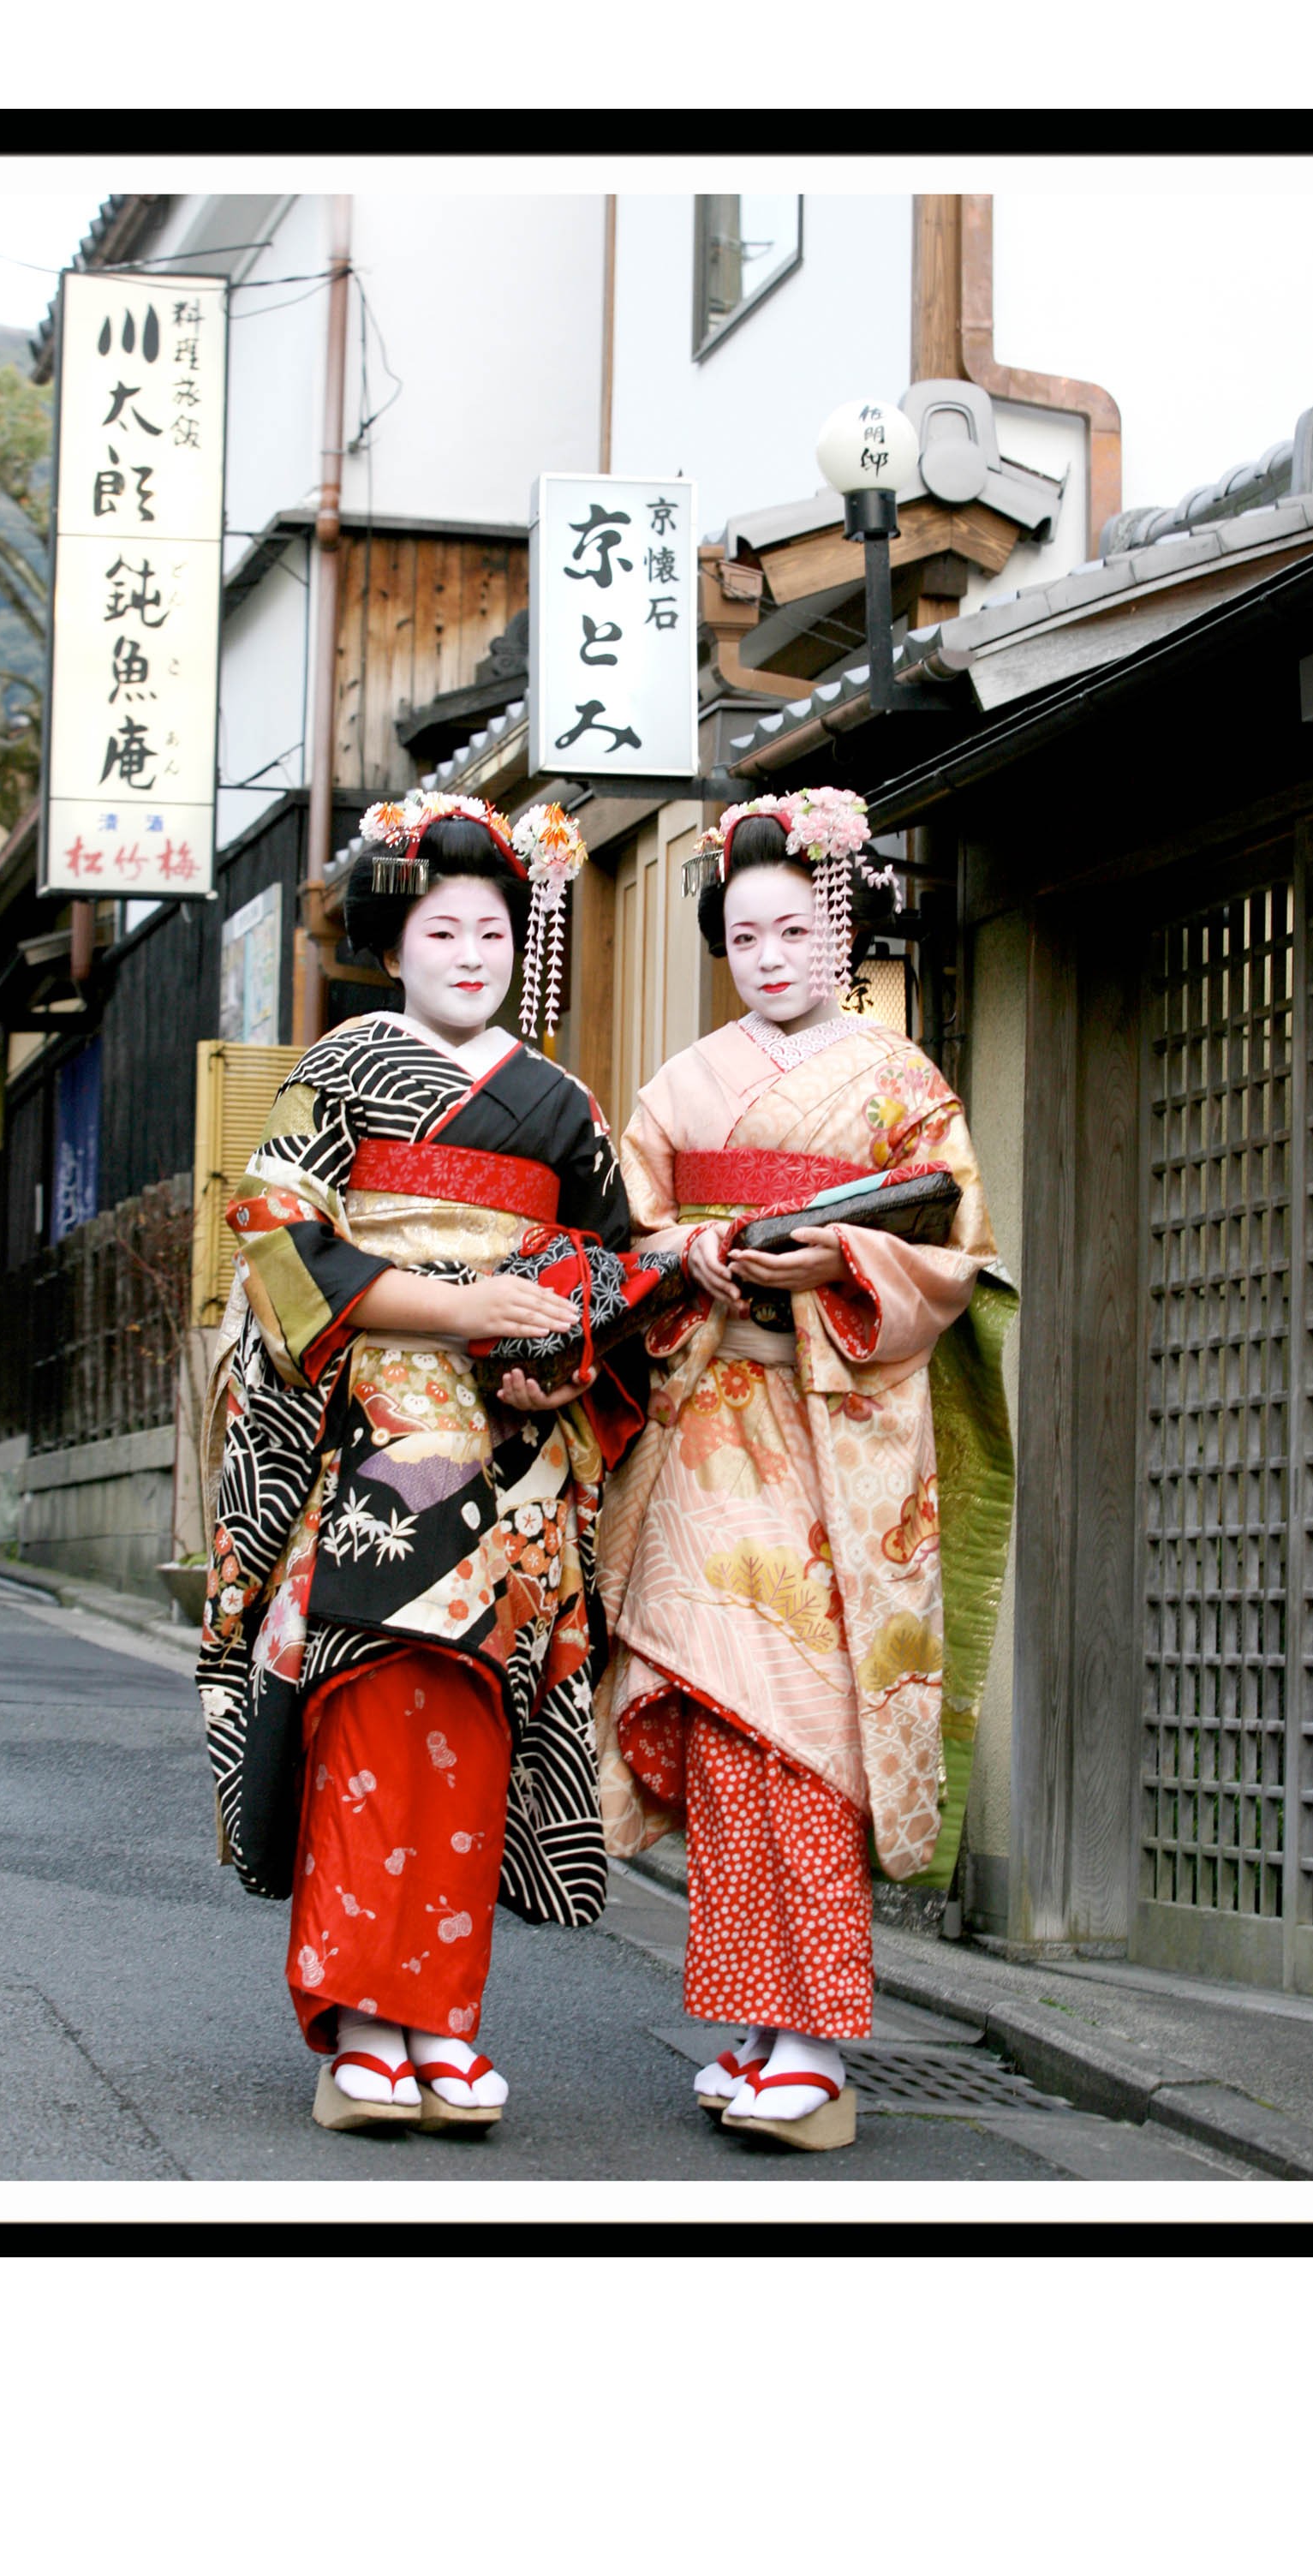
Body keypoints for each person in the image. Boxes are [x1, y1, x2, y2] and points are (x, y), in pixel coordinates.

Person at [195, 792, 643, 2132]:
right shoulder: (338, 1070)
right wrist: (455, 1307)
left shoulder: (559, 1101)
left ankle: (441, 2019)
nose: (469, 952)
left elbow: (612, 1263)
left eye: (494, 930)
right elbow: (275, 1233)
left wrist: (560, 1342)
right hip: (371, 1433)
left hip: (510, 1456)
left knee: (471, 1733)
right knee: (366, 1715)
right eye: (442, 929)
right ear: (395, 947)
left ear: (524, 946)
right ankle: (352, 2024)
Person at [594, 790, 1015, 2150]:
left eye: (794, 928)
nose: (768, 956)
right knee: (725, 1724)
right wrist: (696, 1258)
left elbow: (957, 1254)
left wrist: (839, 1258)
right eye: (743, 933)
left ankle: (816, 2043)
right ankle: (748, 2021)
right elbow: (627, 1240)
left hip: (839, 1436)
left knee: (811, 1742)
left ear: (839, 929)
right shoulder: (677, 1086)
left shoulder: (904, 1085)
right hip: (709, 1429)